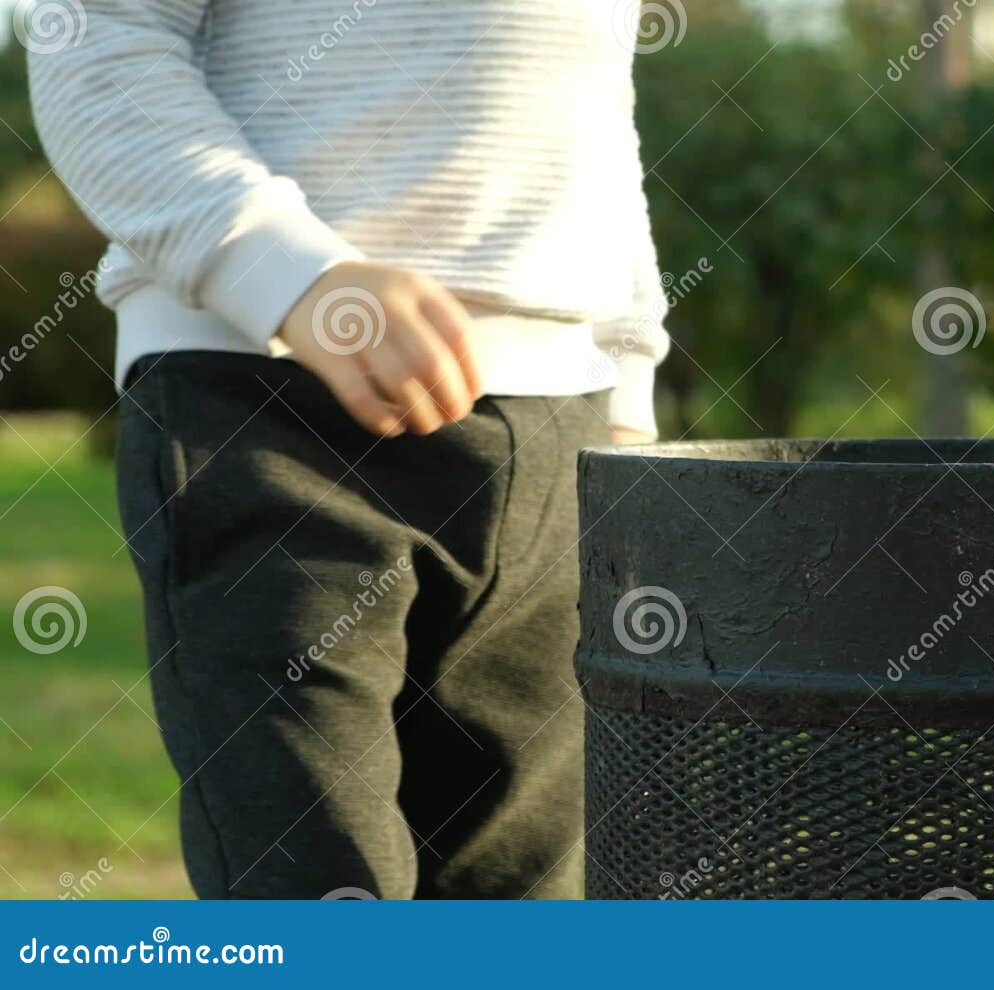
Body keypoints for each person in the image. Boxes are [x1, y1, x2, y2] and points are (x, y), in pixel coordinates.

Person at [26, 0, 671, 899]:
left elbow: (592, 97)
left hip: (560, 427)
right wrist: (293, 275)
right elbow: (96, 34)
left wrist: (629, 376)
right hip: (262, 402)